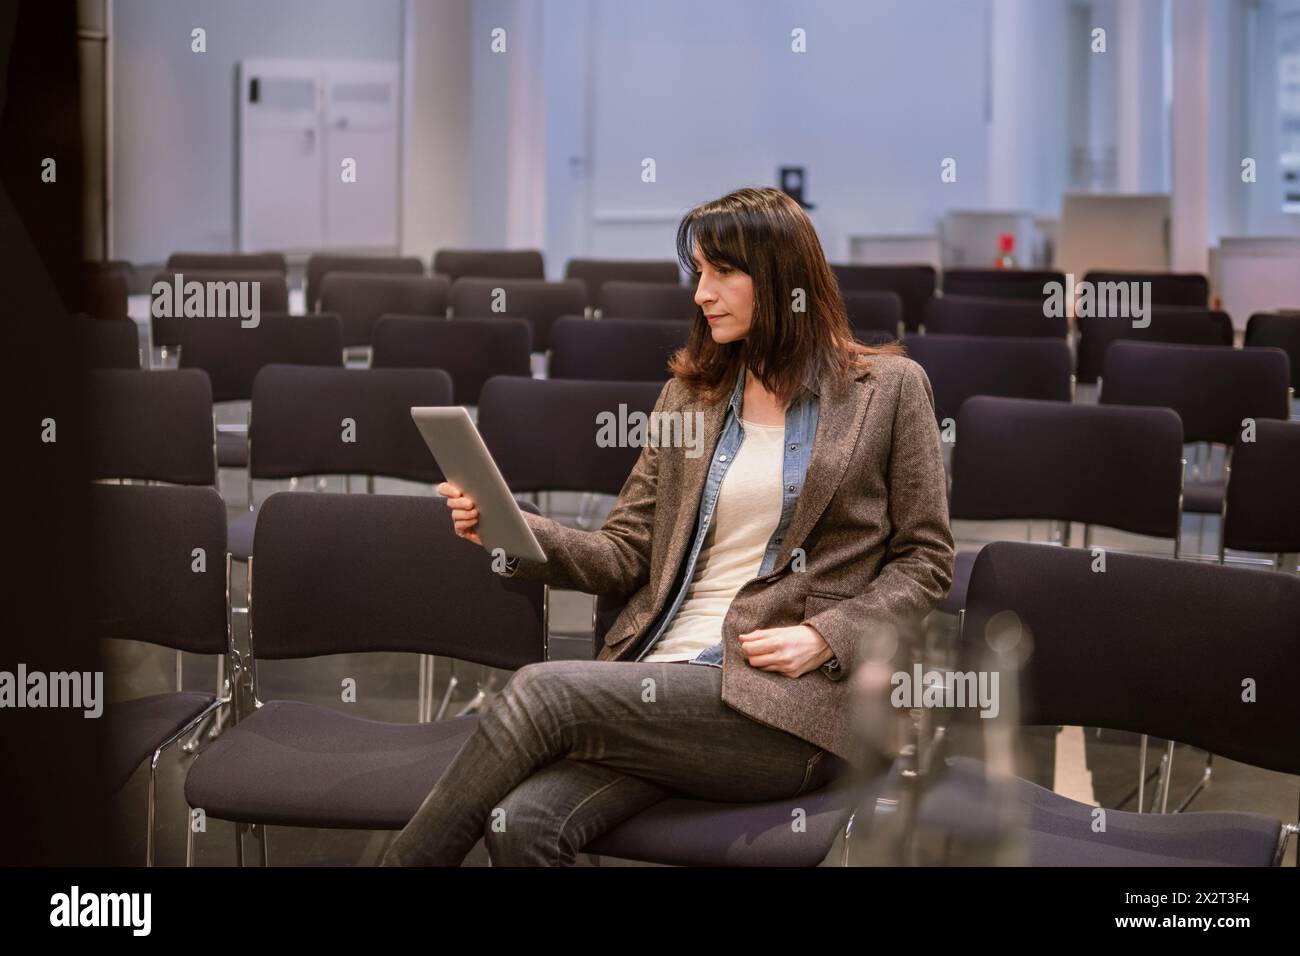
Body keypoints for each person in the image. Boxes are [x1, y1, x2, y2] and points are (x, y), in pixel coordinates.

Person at [382, 186, 954, 866]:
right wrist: (513, 530)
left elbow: (926, 560)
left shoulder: (888, 391)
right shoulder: (693, 397)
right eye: (698, 274)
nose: (701, 294)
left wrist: (826, 637)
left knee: (542, 690)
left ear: (780, 278)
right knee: (520, 823)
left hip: (787, 706)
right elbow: (625, 553)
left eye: (722, 273)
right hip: (660, 684)